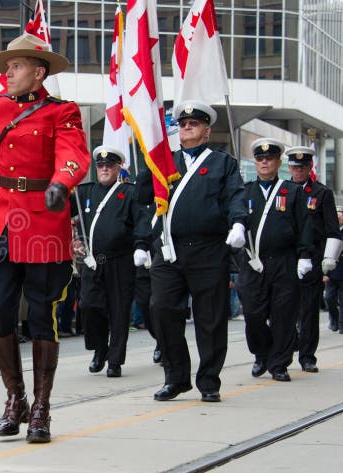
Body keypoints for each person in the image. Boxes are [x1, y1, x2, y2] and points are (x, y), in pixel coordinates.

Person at [0, 32, 90, 443]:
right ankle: (15, 399)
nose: (7, 74)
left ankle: (42, 407)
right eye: (6, 67)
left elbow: (73, 153)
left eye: (15, 66)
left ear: (38, 72)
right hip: (2, 219)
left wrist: (62, 183)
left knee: (42, 313)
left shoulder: (62, 111)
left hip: (43, 216)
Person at [145, 100, 247, 403]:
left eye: (194, 123)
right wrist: (148, 152)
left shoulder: (222, 163)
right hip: (169, 249)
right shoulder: (164, 161)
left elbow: (235, 195)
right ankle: (176, 377)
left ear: (207, 130)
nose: (187, 127)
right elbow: (142, 198)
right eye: (183, 124)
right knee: (162, 309)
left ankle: (209, 380)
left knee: (210, 318)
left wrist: (239, 223)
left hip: (208, 249)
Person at [236, 138, 313, 382]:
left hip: (284, 262)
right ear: (255, 163)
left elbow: (305, 226)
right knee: (252, 313)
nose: (264, 162)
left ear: (279, 162)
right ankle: (262, 353)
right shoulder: (244, 192)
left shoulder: (292, 192)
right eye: (260, 158)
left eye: (269, 158)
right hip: (252, 262)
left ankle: (279, 363)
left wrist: (305, 256)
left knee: (284, 315)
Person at [75, 145, 148, 378]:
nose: (104, 169)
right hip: (93, 261)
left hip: (121, 261)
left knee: (119, 311)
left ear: (118, 168)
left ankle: (115, 361)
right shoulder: (85, 192)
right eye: (101, 166)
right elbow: (62, 210)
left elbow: (142, 220)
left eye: (109, 165)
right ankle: (100, 348)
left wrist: (141, 245)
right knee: (88, 305)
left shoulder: (129, 192)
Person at [285, 145, 342, 372]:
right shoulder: (282, 190)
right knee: (283, 309)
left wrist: (329, 258)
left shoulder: (321, 193)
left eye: (303, 167)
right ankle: (284, 349)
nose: (299, 171)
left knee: (308, 310)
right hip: (286, 258)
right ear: (289, 167)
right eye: (295, 167)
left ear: (310, 167)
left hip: (313, 257)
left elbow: (332, 229)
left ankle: (307, 356)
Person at [323, 206, 343, 334]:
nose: (339, 218)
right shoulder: (328, 232)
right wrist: (323, 273)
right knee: (329, 298)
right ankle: (334, 319)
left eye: (341, 216)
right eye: (336, 216)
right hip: (331, 273)